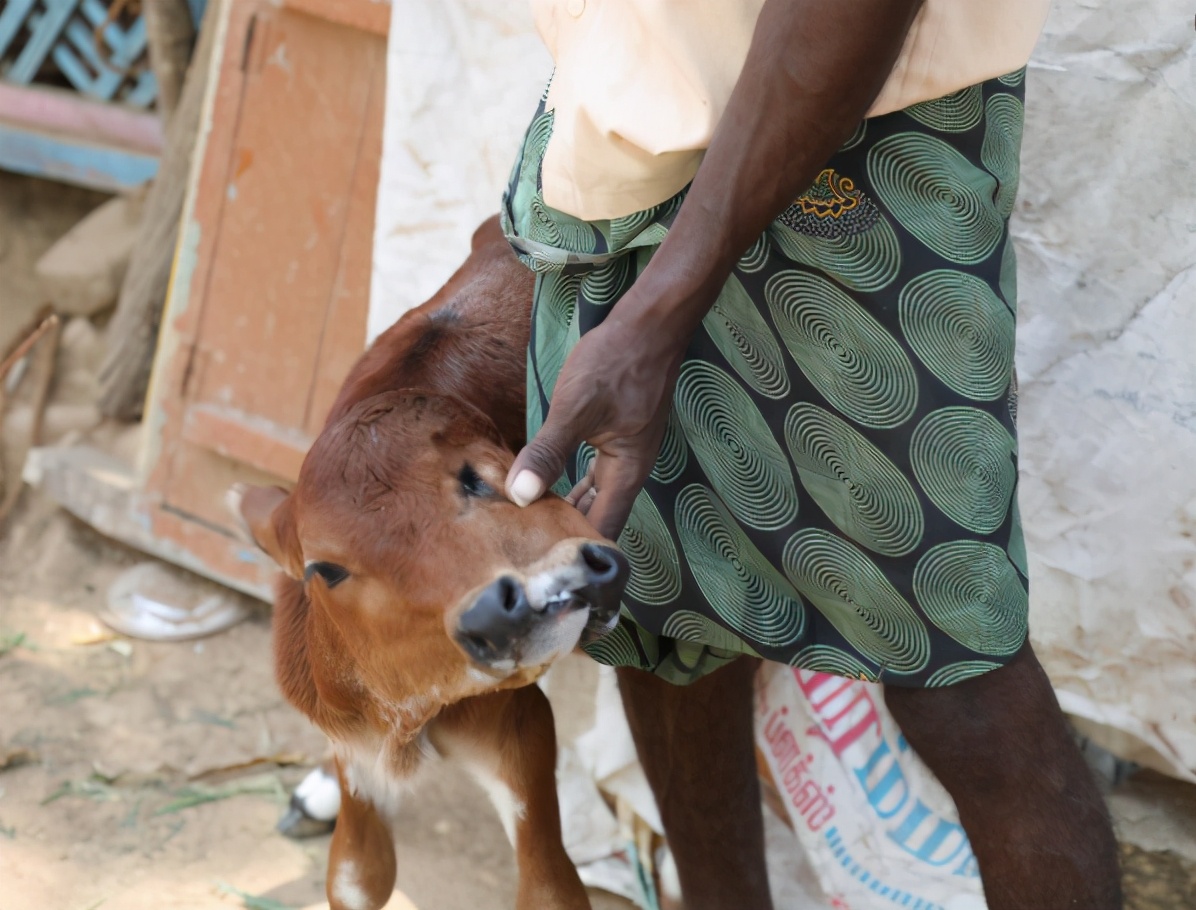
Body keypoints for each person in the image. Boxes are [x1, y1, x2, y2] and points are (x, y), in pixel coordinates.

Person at [500, 1, 1123, 908]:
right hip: (623, 135)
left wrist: (659, 314)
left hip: (860, 151)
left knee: (957, 669)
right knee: (667, 613)